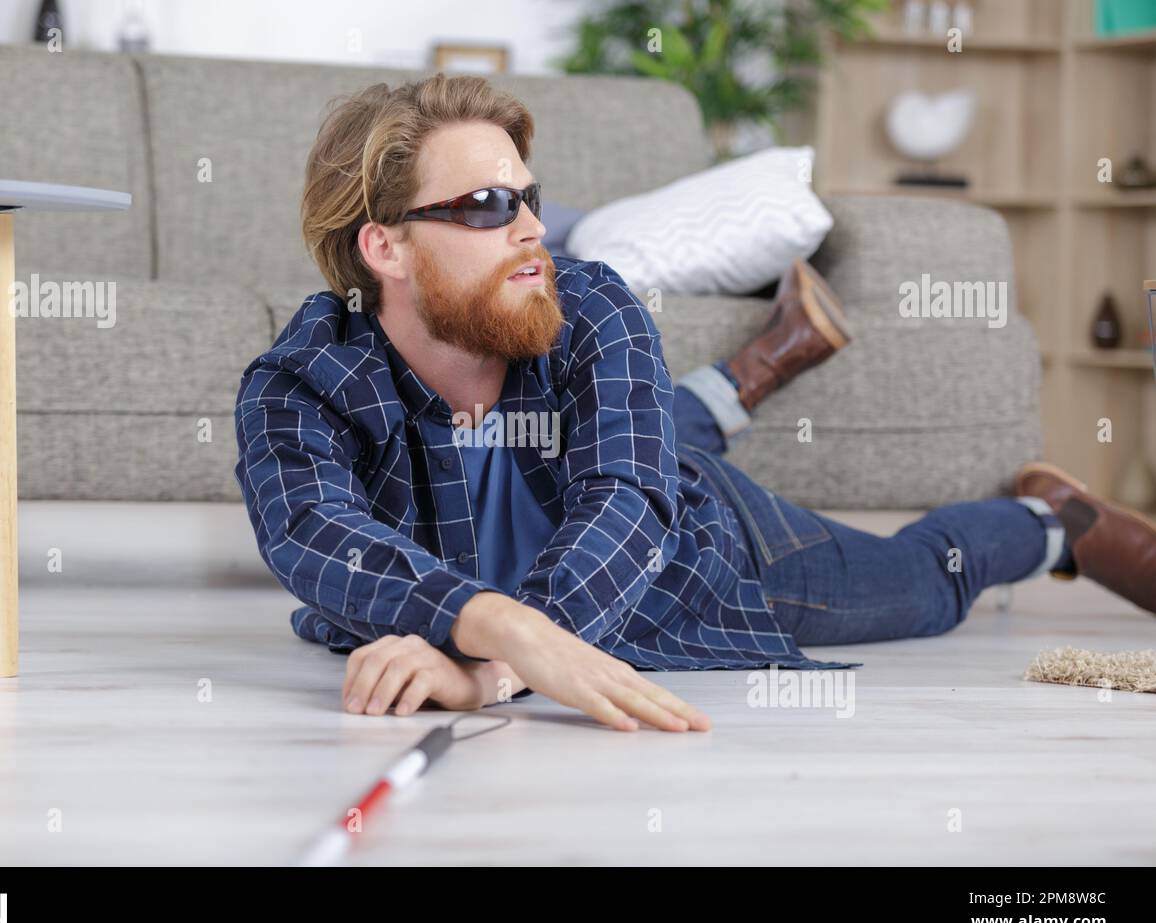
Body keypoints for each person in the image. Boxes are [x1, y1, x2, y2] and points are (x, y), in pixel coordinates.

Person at [233, 74, 1156, 734]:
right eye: (481, 205)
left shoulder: (589, 300)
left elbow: (629, 502)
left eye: (528, 196)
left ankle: (1052, 520)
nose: (528, 229)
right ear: (384, 250)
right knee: (619, 432)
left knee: (922, 586)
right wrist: (500, 625)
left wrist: (498, 663)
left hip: (699, 560)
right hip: (568, 516)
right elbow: (315, 534)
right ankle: (759, 368)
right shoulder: (298, 383)